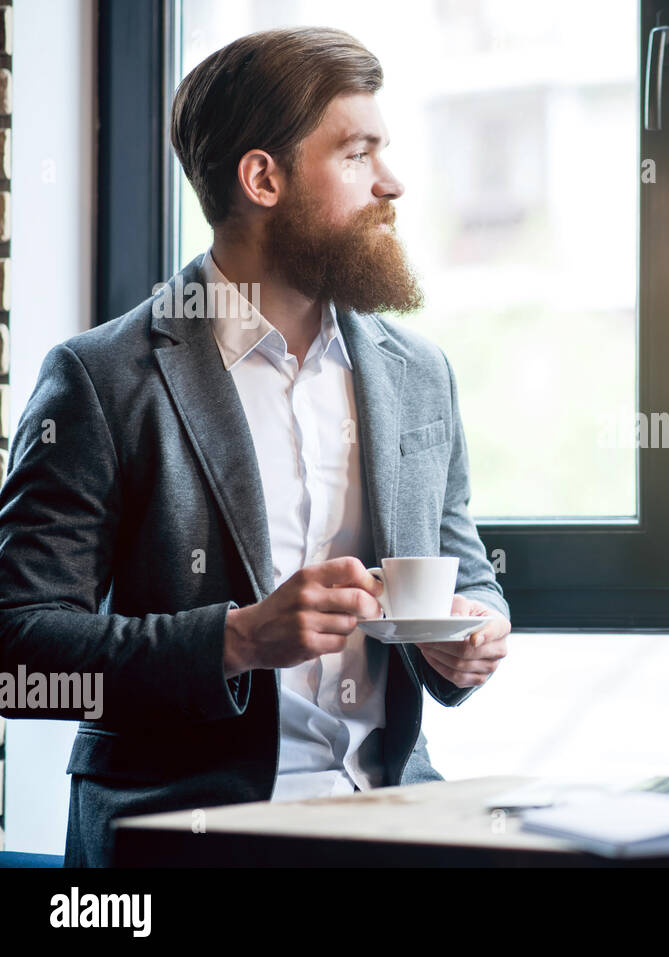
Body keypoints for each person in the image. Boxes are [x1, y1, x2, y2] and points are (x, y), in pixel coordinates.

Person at [0, 26, 510, 867]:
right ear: (262, 177)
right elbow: (20, 650)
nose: (393, 182)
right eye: (356, 153)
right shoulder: (101, 379)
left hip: (399, 825)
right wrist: (237, 638)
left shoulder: (419, 372)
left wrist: (474, 632)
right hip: (185, 842)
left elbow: (465, 564)